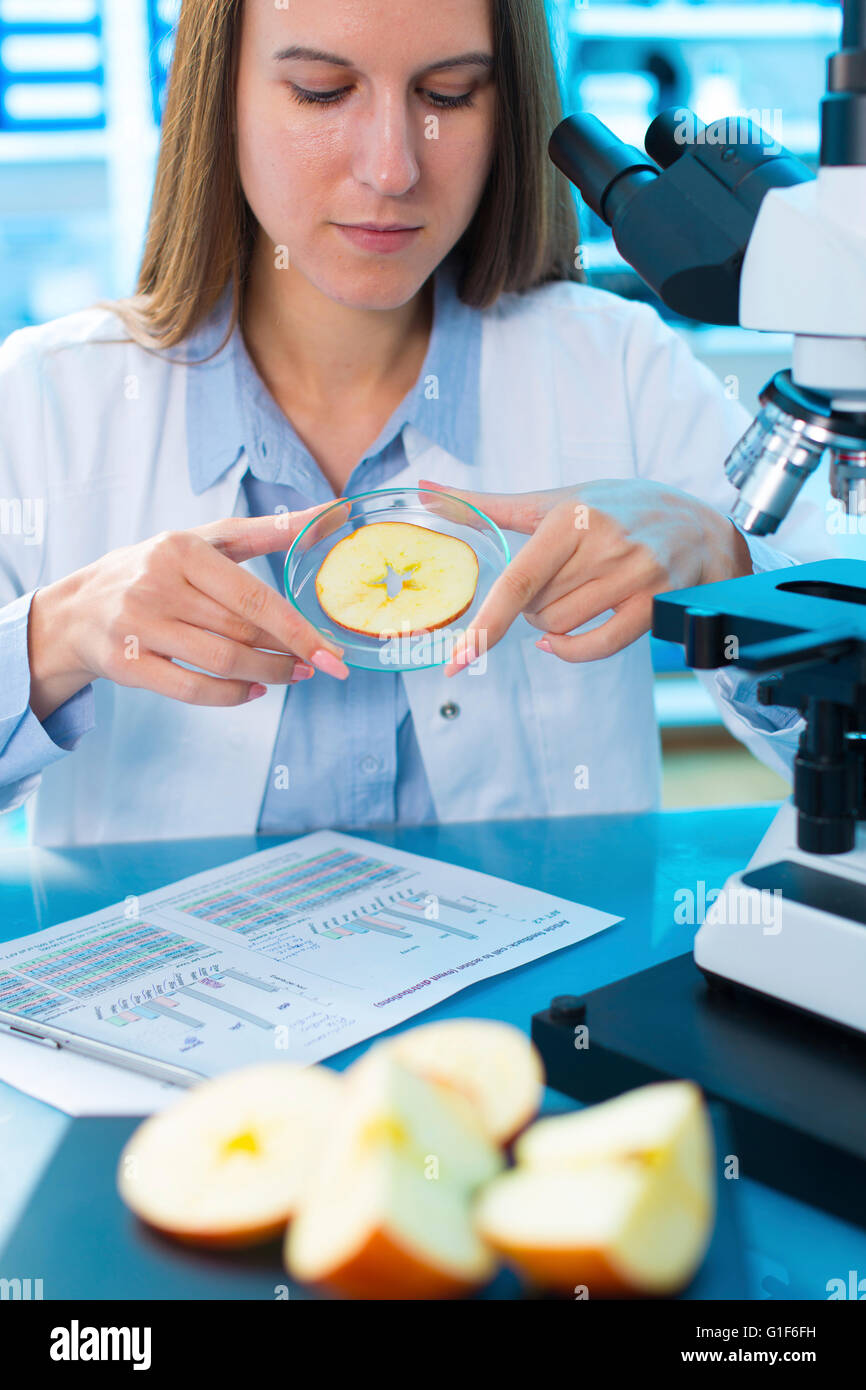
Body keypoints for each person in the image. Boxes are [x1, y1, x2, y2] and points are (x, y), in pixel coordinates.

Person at [0, 0, 818, 849]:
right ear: (219, 101)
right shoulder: (47, 399)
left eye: (450, 94)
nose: (392, 168)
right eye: (322, 91)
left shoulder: (618, 367)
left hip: (546, 982)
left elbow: (846, 737)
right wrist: (49, 640)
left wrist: (734, 568)